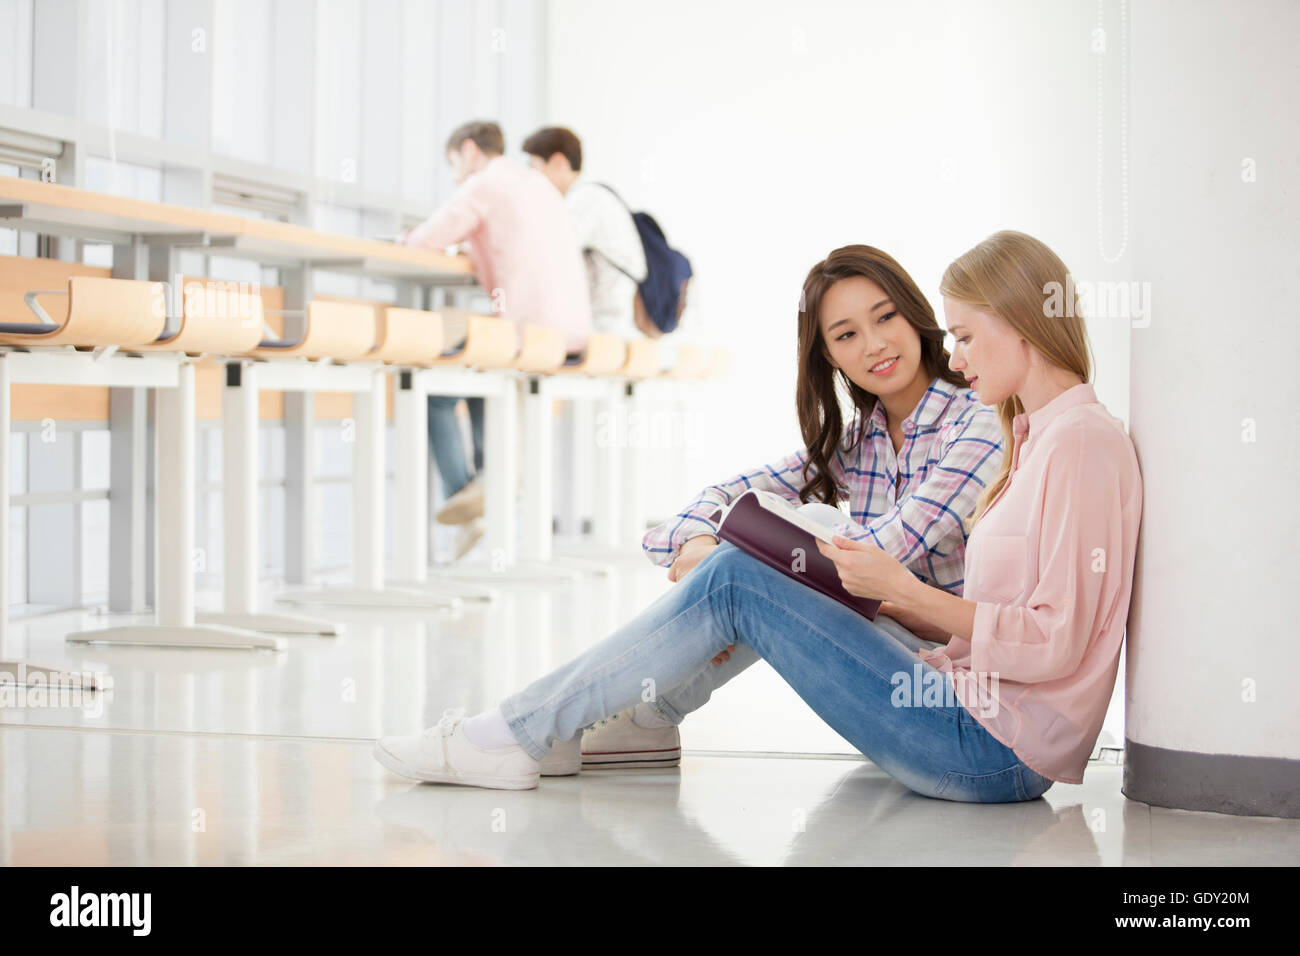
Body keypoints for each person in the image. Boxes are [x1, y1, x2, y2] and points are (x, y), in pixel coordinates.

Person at [380, 237, 1156, 805]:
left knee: (745, 578)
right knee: (735, 568)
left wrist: (858, 581)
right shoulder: (1026, 436)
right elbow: (720, 503)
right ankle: (602, 722)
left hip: (995, 748)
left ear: (1020, 323)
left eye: (958, 335)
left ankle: (516, 733)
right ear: (828, 356)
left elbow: (1039, 632)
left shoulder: (1053, 438)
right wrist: (697, 541)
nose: (951, 355)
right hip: (960, 700)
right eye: (845, 335)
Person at [400, 120, 593, 555]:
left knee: (437, 391)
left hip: (528, 330)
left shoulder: (484, 184)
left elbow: (425, 241)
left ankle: (465, 495)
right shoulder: (539, 185)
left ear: (469, 151)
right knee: (480, 372)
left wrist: (405, 238)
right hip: (569, 331)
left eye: (454, 164)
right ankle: (491, 482)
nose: (456, 176)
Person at [521, 126, 648, 341]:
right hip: (610, 328)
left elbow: (549, 253)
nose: (531, 178)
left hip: (604, 331)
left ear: (559, 162)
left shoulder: (583, 201)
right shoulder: (594, 197)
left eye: (534, 166)